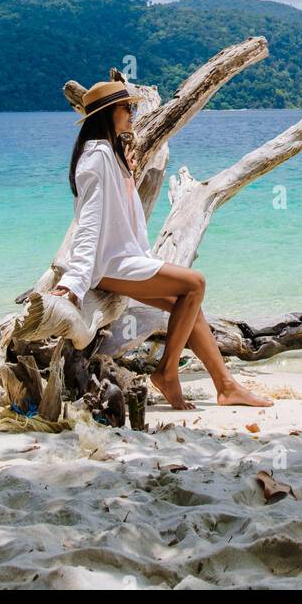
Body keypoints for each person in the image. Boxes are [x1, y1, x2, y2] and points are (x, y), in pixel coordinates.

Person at [50, 78, 271, 411]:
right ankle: (167, 371)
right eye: (127, 108)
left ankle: (226, 387)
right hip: (107, 263)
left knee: (189, 305)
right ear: (109, 113)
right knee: (195, 283)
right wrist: (73, 282)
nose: (132, 113)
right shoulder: (95, 159)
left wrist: (128, 170)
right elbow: (90, 225)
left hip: (123, 257)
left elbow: (121, 213)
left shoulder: (109, 154)